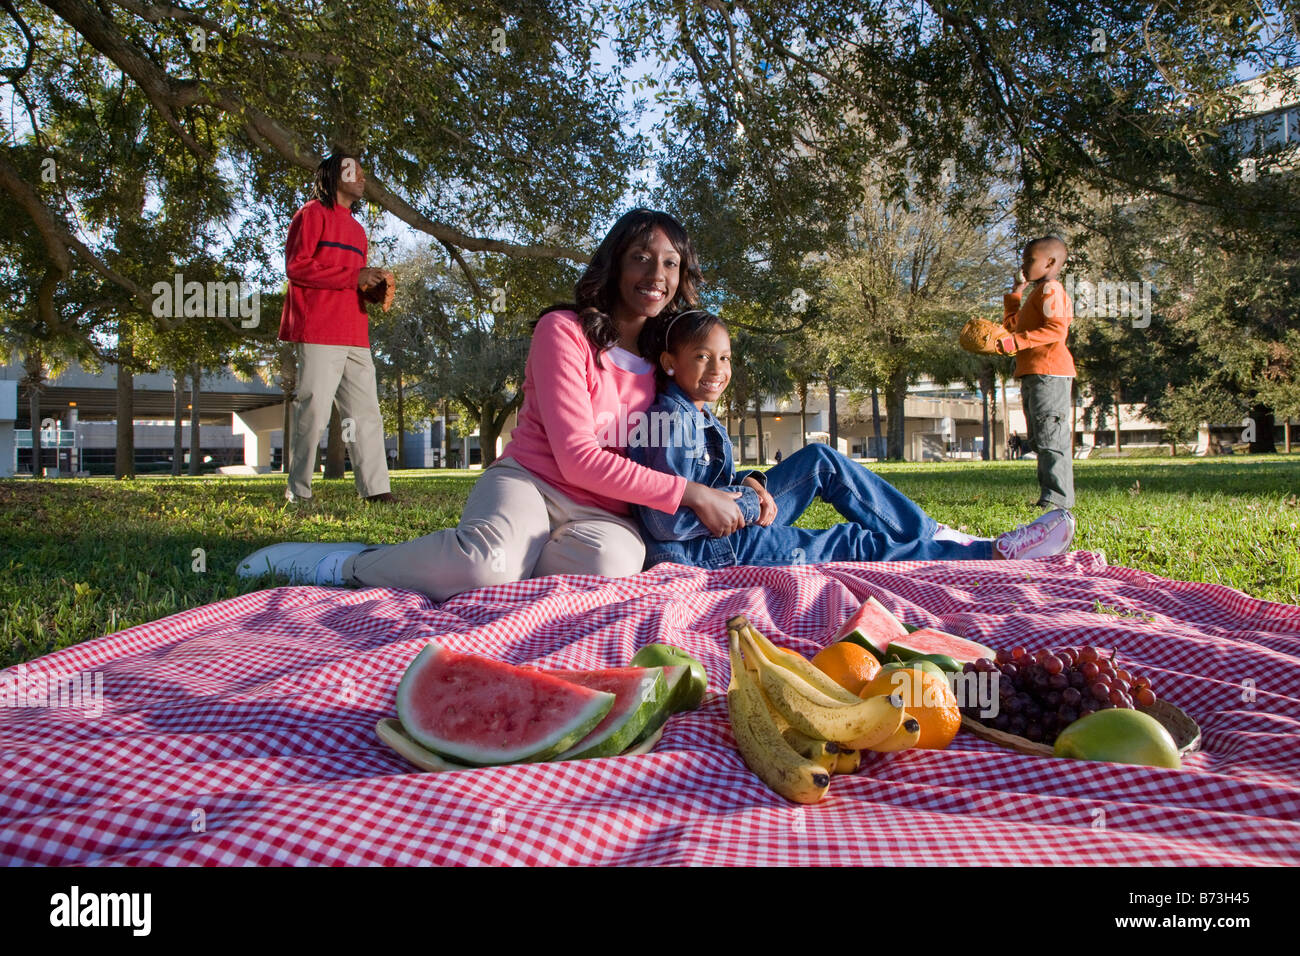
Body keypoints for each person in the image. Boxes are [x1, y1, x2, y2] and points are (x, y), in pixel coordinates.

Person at [238, 209, 747, 597]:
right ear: (615, 264)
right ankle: (349, 564)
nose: (655, 273)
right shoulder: (563, 331)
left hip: (607, 514)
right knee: (486, 565)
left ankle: (499, 564)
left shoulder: (670, 360)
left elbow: (696, 444)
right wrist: (691, 494)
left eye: (670, 263)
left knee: (612, 565)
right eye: (640, 257)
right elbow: (575, 457)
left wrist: (749, 485)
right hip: (532, 481)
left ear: (682, 277)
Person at [627, 309, 1075, 570]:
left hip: (723, 525)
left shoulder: (691, 409)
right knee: (852, 542)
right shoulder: (672, 420)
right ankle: (987, 555)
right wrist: (745, 504)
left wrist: (751, 483)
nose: (717, 369)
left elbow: (705, 481)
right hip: (707, 551)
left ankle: (935, 535)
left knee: (821, 460)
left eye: (724, 357)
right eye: (701, 357)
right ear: (669, 361)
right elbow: (665, 522)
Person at [279, 152, 394, 504]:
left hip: (355, 333)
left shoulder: (358, 231)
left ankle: (376, 492)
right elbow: (297, 267)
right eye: (352, 171)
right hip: (318, 329)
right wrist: (353, 276)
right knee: (313, 410)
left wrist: (371, 288)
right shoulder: (310, 214)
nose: (361, 177)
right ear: (332, 176)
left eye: (362, 172)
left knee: (366, 414)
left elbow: (350, 282)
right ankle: (298, 492)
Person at [997, 237, 1076, 510]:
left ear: (1050, 262)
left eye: (1030, 260)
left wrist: (1017, 343)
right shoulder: (1038, 292)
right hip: (1033, 372)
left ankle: (1057, 499)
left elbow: (1057, 330)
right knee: (1041, 437)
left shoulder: (1052, 290)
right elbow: (1012, 326)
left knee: (1050, 436)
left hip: (1050, 371)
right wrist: (1016, 292)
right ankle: (1050, 496)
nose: (1024, 264)